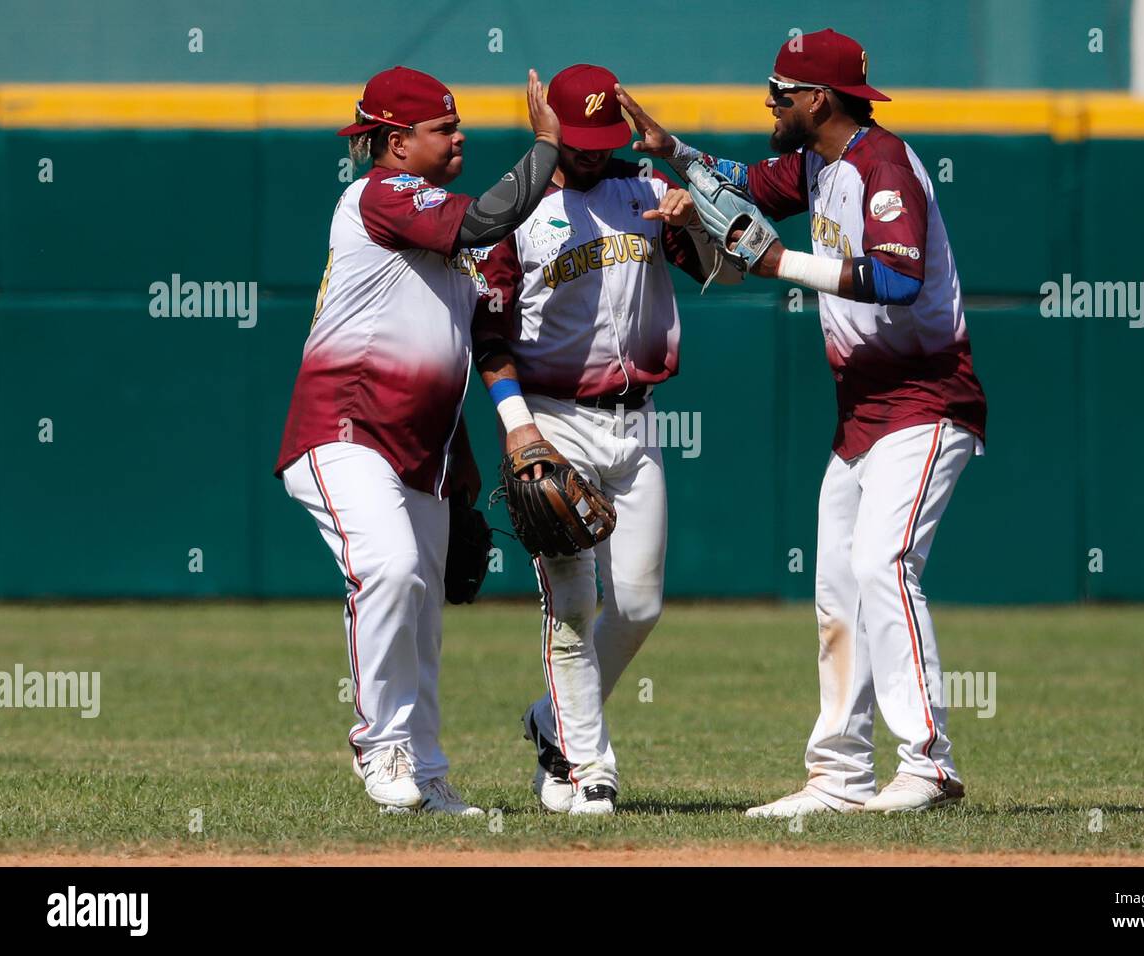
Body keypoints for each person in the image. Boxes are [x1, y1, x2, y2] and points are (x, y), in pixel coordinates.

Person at [617, 28, 988, 816]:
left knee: (885, 564)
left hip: (926, 399)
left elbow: (895, 277)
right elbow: (744, 180)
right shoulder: (821, 162)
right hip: (861, 411)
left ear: (818, 100)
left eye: (780, 94)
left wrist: (778, 263)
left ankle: (929, 764)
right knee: (836, 590)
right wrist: (672, 148)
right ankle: (841, 776)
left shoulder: (884, 165)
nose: (770, 104)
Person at [274, 65, 561, 814]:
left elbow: (452, 347)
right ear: (397, 143)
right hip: (343, 429)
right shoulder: (381, 196)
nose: (459, 134)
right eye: (443, 127)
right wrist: (547, 146)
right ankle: (379, 744)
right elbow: (481, 221)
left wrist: (465, 455)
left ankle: (426, 772)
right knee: (391, 568)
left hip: (424, 450)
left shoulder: (444, 232)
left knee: (422, 610)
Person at [472, 63, 737, 815]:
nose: (591, 152)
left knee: (642, 606)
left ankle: (550, 720)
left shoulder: (646, 190)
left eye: (601, 138)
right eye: (575, 139)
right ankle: (587, 766)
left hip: (636, 421)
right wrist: (520, 430)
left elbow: (727, 273)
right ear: (547, 129)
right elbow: (486, 337)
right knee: (573, 605)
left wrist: (695, 221)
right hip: (552, 418)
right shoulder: (514, 211)